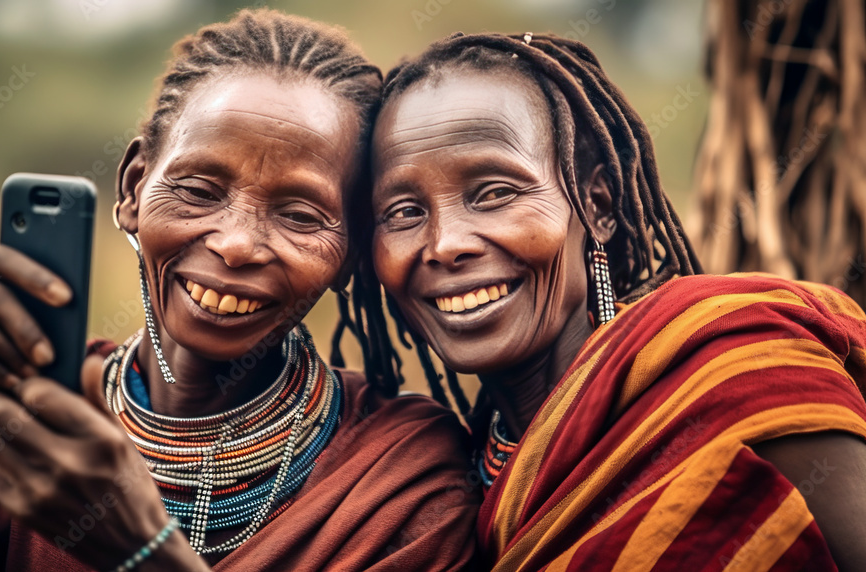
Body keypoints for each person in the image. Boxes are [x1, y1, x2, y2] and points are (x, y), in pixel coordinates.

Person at [0, 11, 480, 571]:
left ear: (351, 252)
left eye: (299, 214)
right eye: (199, 190)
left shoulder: (401, 478)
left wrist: (145, 551)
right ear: (134, 189)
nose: (236, 244)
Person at [348, 31, 866, 570]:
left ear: (597, 207)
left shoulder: (734, 372)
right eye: (404, 211)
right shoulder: (439, 482)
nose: (446, 243)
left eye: (495, 193)